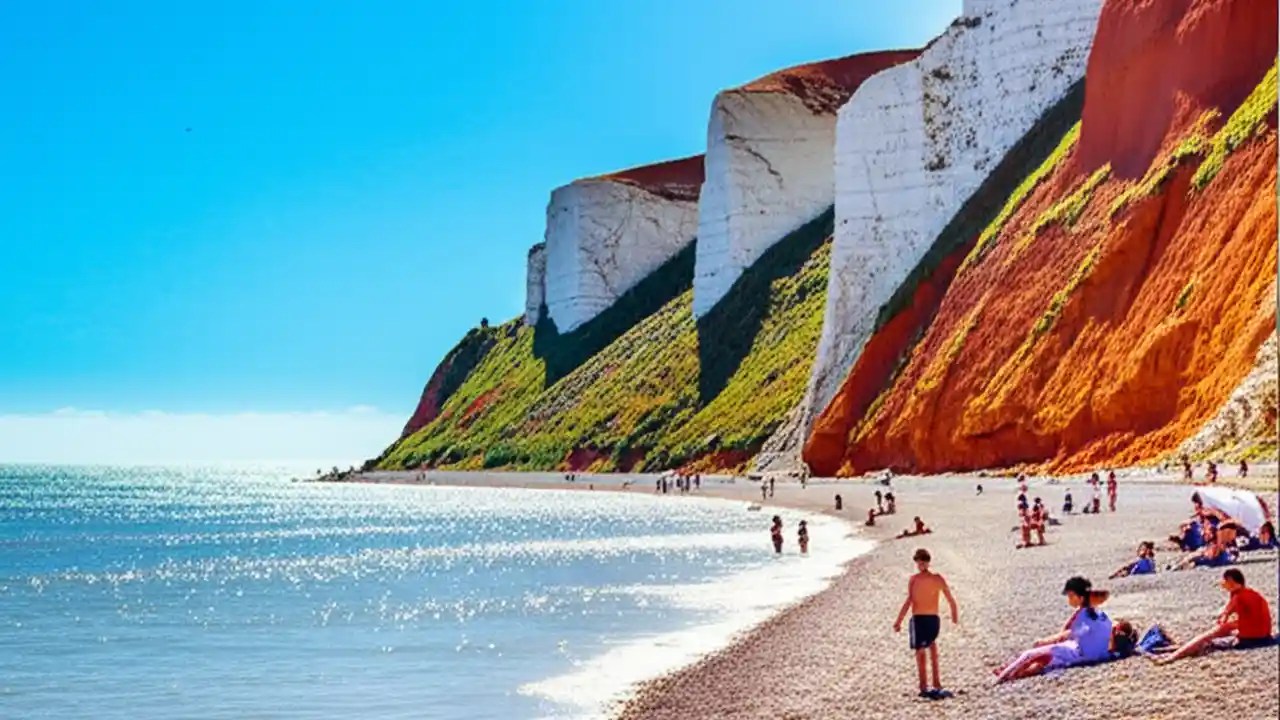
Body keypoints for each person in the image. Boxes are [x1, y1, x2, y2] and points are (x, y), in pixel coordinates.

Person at [994, 576, 1113, 683]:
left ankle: (1004, 676)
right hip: (1097, 653)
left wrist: (1044, 642)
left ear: (1080, 597)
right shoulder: (1095, 611)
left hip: (1085, 654)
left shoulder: (1085, 615)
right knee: (1045, 659)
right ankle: (1016, 671)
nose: (1069, 600)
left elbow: (1066, 634)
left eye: (1071, 596)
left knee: (1031, 653)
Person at [1154, 569, 1275, 664]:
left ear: (1231, 582)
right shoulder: (1251, 593)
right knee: (1220, 632)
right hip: (1264, 637)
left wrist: (1223, 624)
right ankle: (1179, 649)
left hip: (1250, 640)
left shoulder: (1239, 596)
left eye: (1225, 581)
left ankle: (1173, 656)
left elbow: (1225, 615)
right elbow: (1244, 617)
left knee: (1210, 636)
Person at [892, 549, 959, 699]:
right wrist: (899, 620)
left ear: (928, 562)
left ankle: (936, 682)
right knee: (920, 652)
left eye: (923, 562)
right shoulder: (913, 579)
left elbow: (949, 597)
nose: (921, 565)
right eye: (918, 562)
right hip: (917, 619)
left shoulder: (937, 578)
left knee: (932, 649)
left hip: (932, 618)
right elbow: (909, 600)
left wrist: (954, 613)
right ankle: (923, 685)